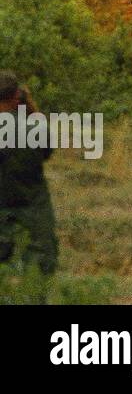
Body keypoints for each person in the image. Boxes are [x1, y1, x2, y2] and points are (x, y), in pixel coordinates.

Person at [0, 69, 58, 276]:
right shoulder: (35, 127)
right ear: (17, 96)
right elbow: (46, 152)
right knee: (38, 274)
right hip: (34, 211)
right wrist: (30, 107)